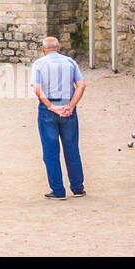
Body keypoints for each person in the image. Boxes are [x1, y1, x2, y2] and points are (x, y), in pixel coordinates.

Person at [30, 36, 86, 199]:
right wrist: (72, 105)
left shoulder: (39, 64)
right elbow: (81, 84)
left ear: (43, 49)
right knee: (72, 149)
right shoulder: (70, 62)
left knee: (51, 151)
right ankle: (77, 187)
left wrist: (50, 106)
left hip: (49, 109)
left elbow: (37, 89)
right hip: (68, 107)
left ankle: (58, 190)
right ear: (59, 47)